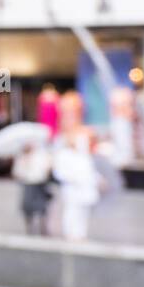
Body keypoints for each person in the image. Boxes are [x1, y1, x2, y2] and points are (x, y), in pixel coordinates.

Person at [52, 90, 101, 241]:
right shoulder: (61, 137)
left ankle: (80, 235)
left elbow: (92, 157)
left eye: (74, 111)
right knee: (72, 212)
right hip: (72, 182)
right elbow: (59, 165)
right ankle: (73, 236)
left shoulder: (87, 132)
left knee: (83, 213)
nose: (71, 115)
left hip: (85, 180)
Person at [11, 141, 52, 235]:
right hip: (27, 184)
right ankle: (29, 227)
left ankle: (43, 228)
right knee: (27, 207)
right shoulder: (21, 157)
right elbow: (17, 172)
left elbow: (46, 169)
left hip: (39, 183)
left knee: (42, 207)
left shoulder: (41, 155)